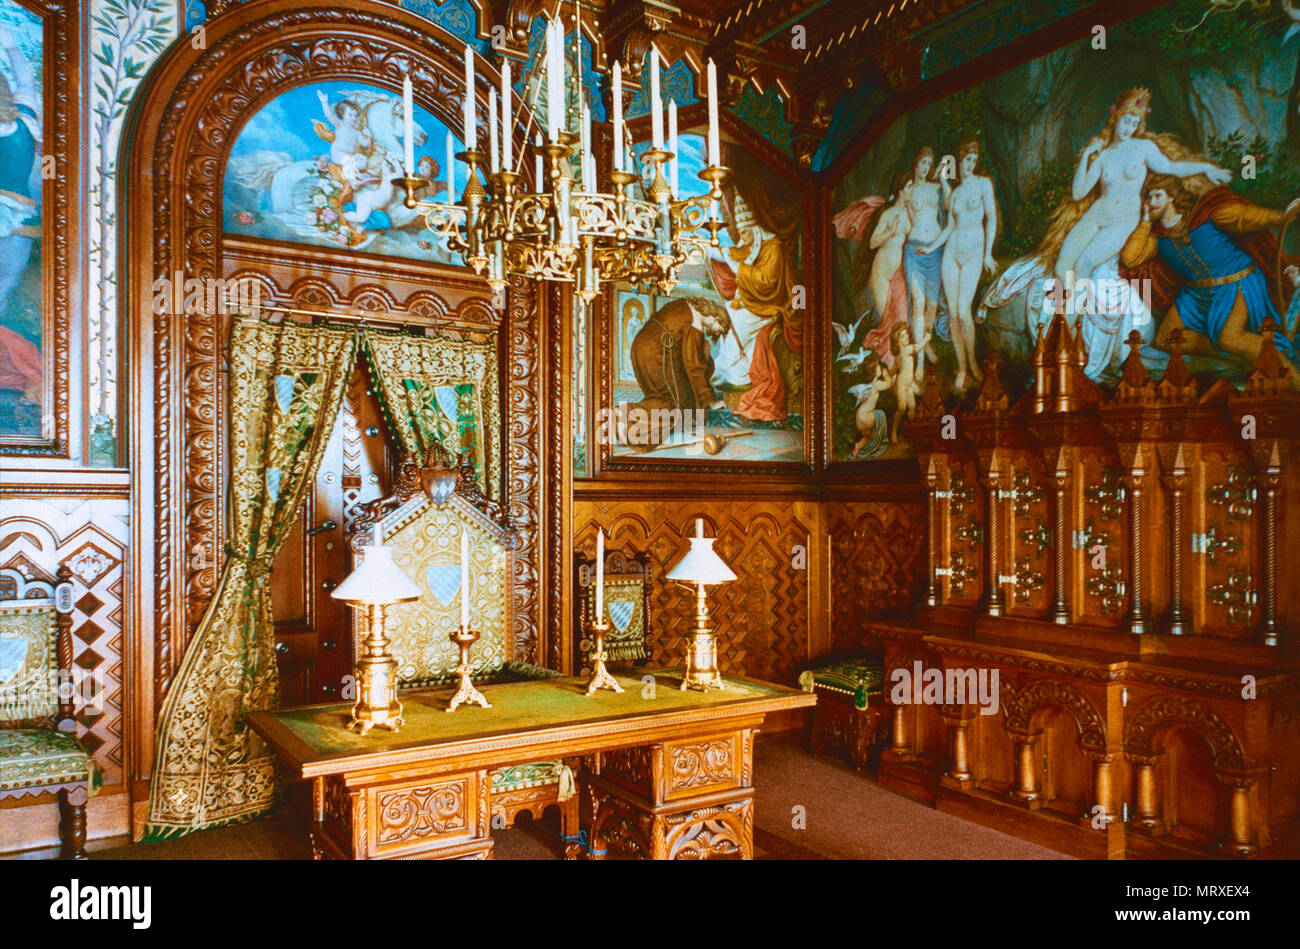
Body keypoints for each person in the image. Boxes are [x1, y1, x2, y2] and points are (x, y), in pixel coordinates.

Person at [1120, 175, 1300, 387]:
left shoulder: (1203, 217)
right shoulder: (1155, 236)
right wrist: (1145, 222)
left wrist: (1281, 217)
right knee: (1166, 338)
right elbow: (1130, 259)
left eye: (1157, 195)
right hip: (1194, 294)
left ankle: (1293, 383)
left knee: (1230, 338)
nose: (1151, 202)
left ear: (1171, 198)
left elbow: (1244, 217)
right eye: (1148, 198)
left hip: (1236, 282)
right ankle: (1239, 357)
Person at [918, 138, 998, 395]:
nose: (968, 165)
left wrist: (988, 254)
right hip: (951, 251)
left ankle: (973, 362)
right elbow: (950, 227)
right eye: (965, 160)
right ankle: (963, 368)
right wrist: (931, 247)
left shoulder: (983, 185)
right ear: (959, 161)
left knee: (964, 312)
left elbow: (991, 220)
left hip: (974, 250)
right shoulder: (956, 193)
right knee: (953, 314)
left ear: (977, 163)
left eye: (973, 160)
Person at [625, 297, 734, 448]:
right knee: (673, 403)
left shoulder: (685, 304)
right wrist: (711, 400)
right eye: (719, 330)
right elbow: (695, 366)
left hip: (640, 348)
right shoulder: (695, 323)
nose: (714, 333)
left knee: (662, 397)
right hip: (656, 354)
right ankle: (626, 417)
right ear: (716, 319)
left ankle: (632, 426)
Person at [903, 147, 948, 376]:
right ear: (915, 164)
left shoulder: (937, 188)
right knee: (918, 305)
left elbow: (950, 209)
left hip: (935, 251)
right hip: (914, 251)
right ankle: (919, 363)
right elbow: (902, 217)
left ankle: (926, 342)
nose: (925, 168)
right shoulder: (908, 191)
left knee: (931, 306)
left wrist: (943, 178)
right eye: (923, 163)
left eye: (929, 164)